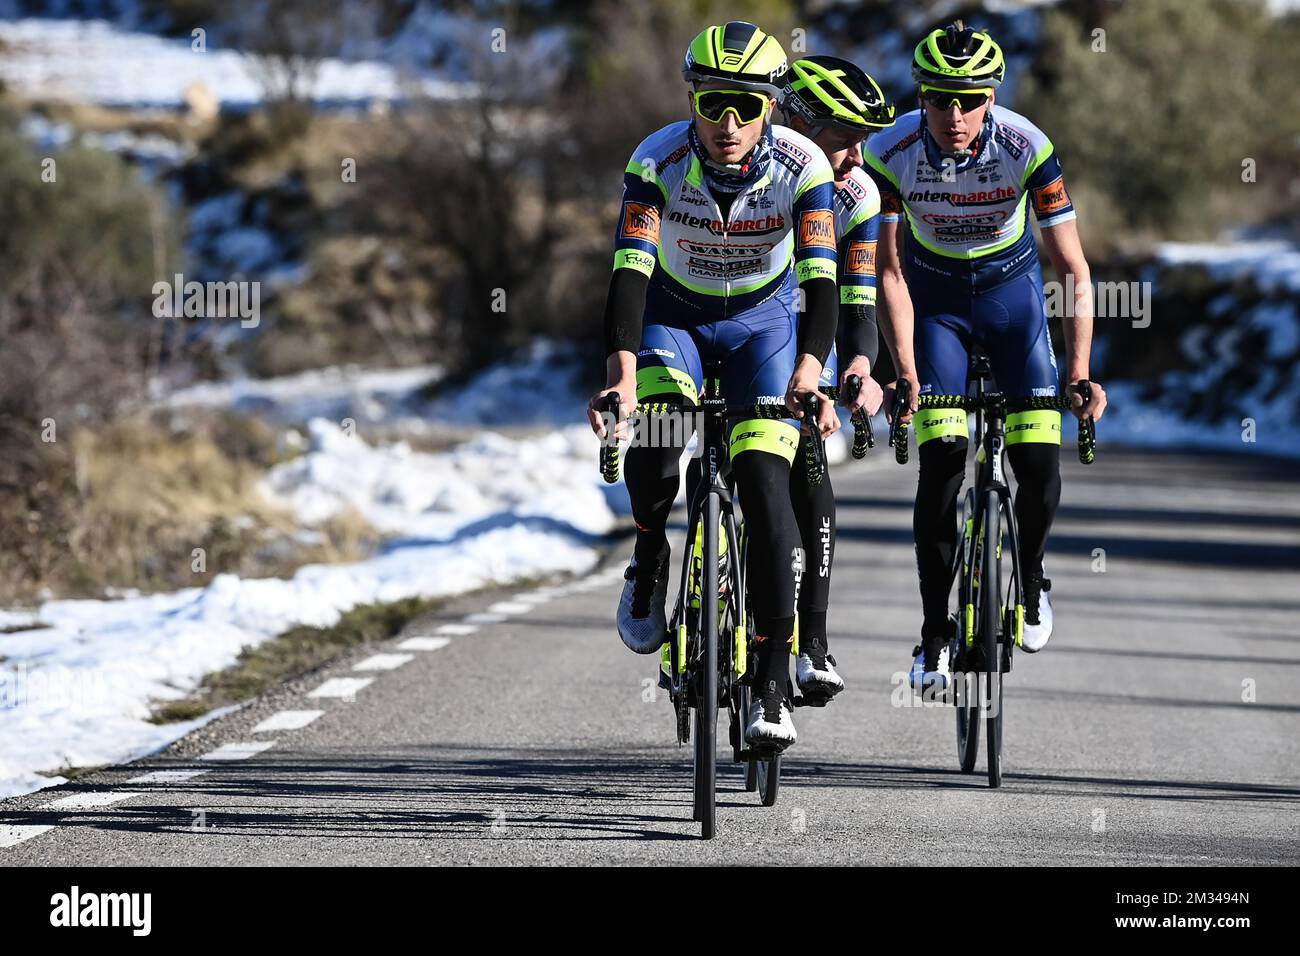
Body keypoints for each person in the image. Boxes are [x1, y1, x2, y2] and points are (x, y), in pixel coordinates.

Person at [586, 21, 840, 749]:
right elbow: (630, 270)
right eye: (712, 103)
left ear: (769, 106)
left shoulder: (804, 165)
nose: (727, 123)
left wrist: (810, 369)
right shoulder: (656, 161)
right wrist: (622, 374)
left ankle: (768, 683)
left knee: (764, 481)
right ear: (692, 98)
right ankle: (648, 553)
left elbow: (822, 280)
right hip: (675, 316)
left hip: (767, 324)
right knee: (661, 445)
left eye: (745, 106)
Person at [862, 21, 1109, 690]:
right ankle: (933, 635)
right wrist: (905, 370)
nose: (954, 114)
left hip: (1013, 302)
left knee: (1036, 453)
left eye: (969, 99)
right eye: (939, 98)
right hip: (934, 301)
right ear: (921, 96)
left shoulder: (1029, 147)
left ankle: (1030, 579)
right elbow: (886, 274)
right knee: (942, 458)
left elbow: (1073, 269)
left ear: (992, 97)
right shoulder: (890, 153)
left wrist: (1080, 369)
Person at [778, 55, 894, 700]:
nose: (854, 157)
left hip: (808, 336)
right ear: (794, 122)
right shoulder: (760, 173)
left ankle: (811, 641)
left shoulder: (858, 195)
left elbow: (859, 300)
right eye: (841, 138)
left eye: (862, 142)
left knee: (810, 468)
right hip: (732, 323)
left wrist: (857, 365)